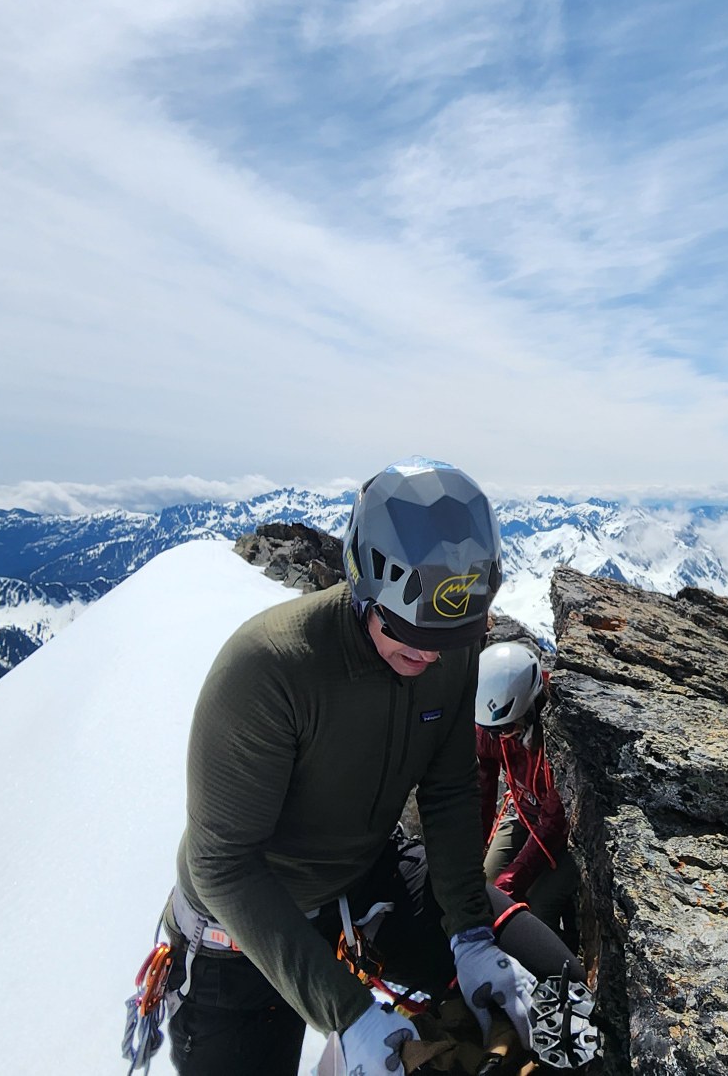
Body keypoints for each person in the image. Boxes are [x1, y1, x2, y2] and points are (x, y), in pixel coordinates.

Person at [160, 457, 538, 1076]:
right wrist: (350, 1013)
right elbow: (222, 865)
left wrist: (470, 934)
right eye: (407, 633)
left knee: (550, 991)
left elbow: (447, 790)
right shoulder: (269, 669)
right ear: (364, 587)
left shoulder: (451, 641)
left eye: (446, 641)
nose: (428, 657)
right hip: (243, 930)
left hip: (363, 878)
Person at [474, 642, 578, 941]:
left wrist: (513, 881)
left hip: (571, 831)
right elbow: (482, 787)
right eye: (491, 730)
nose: (498, 736)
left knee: (540, 904)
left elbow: (555, 822)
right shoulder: (491, 726)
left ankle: (557, 963)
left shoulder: (558, 734)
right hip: (523, 810)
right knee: (487, 885)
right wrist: (473, 851)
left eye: (507, 727)